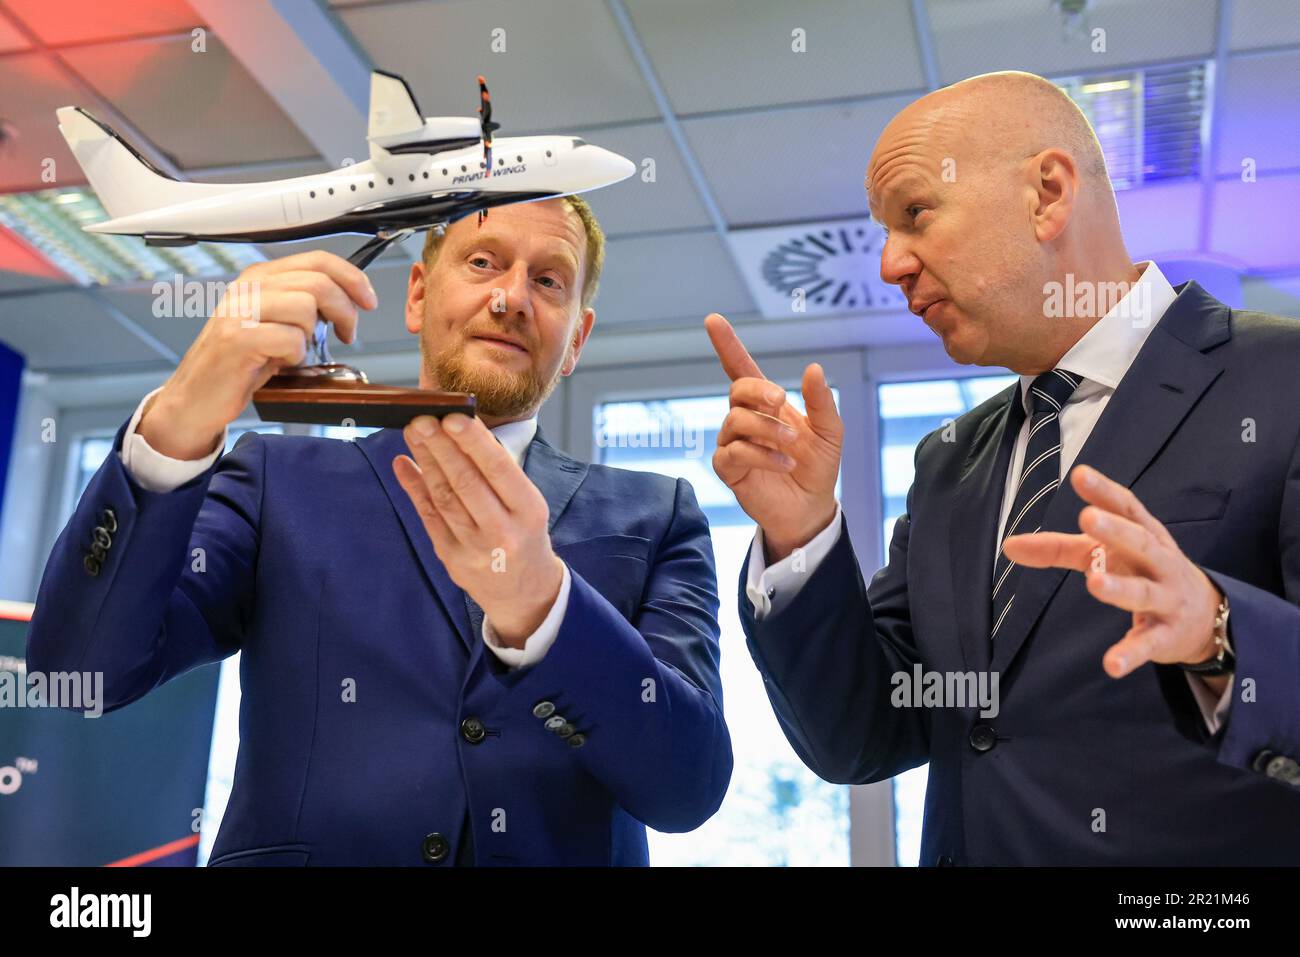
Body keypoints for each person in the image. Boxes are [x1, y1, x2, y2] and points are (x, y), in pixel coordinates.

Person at [706, 70, 1300, 865]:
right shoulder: (949, 459)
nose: (889, 264)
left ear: (1048, 194)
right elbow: (867, 731)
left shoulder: (1283, 379)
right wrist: (799, 533)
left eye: (914, 214)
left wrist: (1217, 632)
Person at [28, 196, 732, 866]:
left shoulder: (657, 515)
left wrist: (545, 608)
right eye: (483, 262)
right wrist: (179, 417)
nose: (512, 297)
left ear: (575, 337)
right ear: (419, 294)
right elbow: (79, 675)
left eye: (548, 280)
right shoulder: (278, 479)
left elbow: (687, 783)